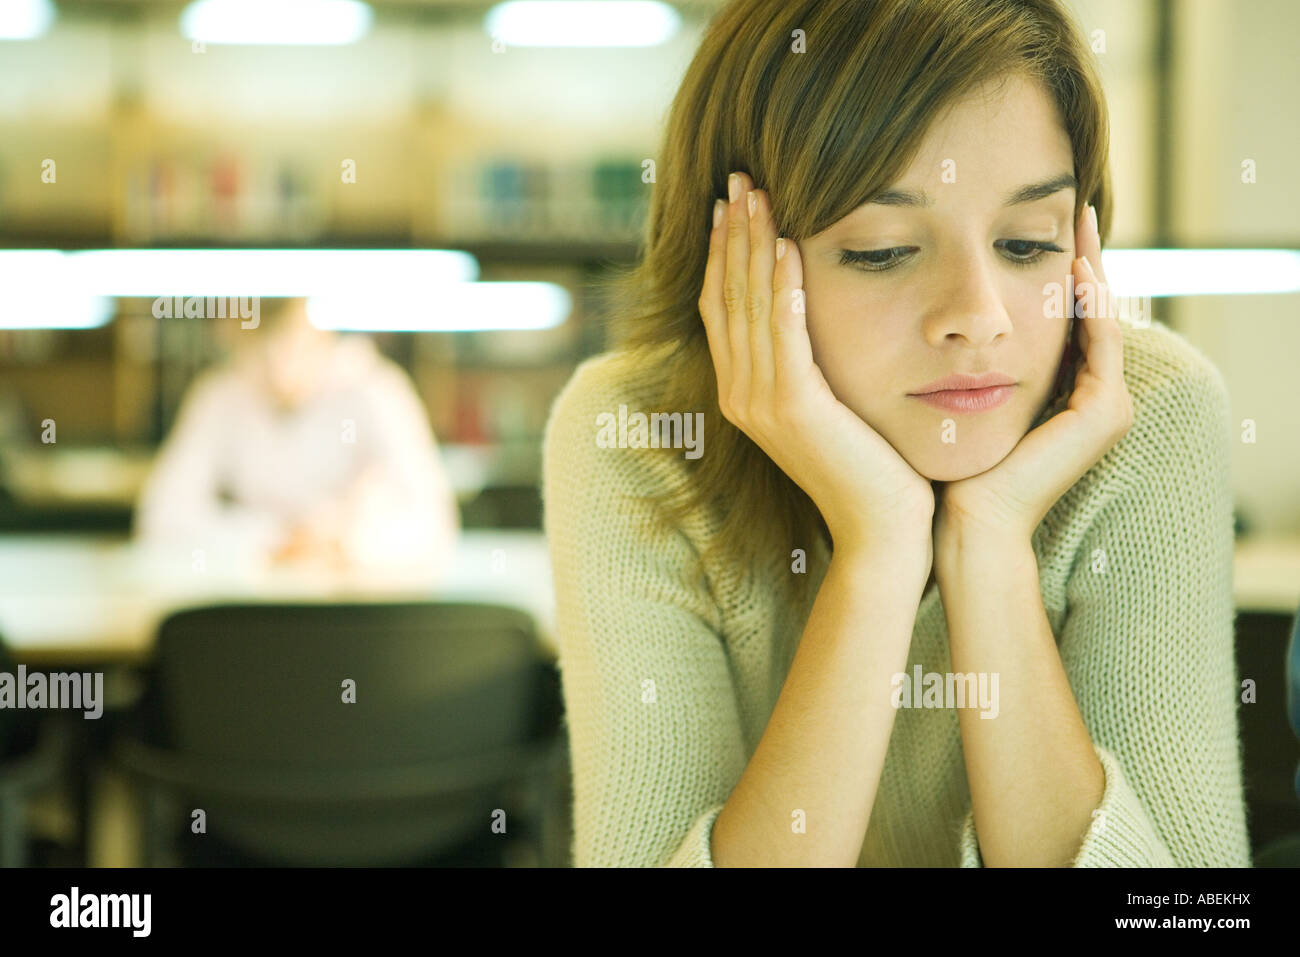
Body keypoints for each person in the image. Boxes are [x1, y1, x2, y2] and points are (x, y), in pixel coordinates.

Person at [542, 0, 1250, 866]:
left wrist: (989, 547)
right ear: (735, 265)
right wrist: (877, 548)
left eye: (1028, 243)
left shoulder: (1151, 411)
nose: (980, 319)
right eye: (881, 251)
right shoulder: (641, 437)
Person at [135, 298, 460, 579]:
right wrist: (273, 540)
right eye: (259, 350)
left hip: (351, 606)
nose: (277, 366)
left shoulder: (376, 390)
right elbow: (162, 520)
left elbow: (433, 523)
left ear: (322, 334)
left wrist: (346, 542)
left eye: (290, 342)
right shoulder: (220, 395)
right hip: (251, 604)